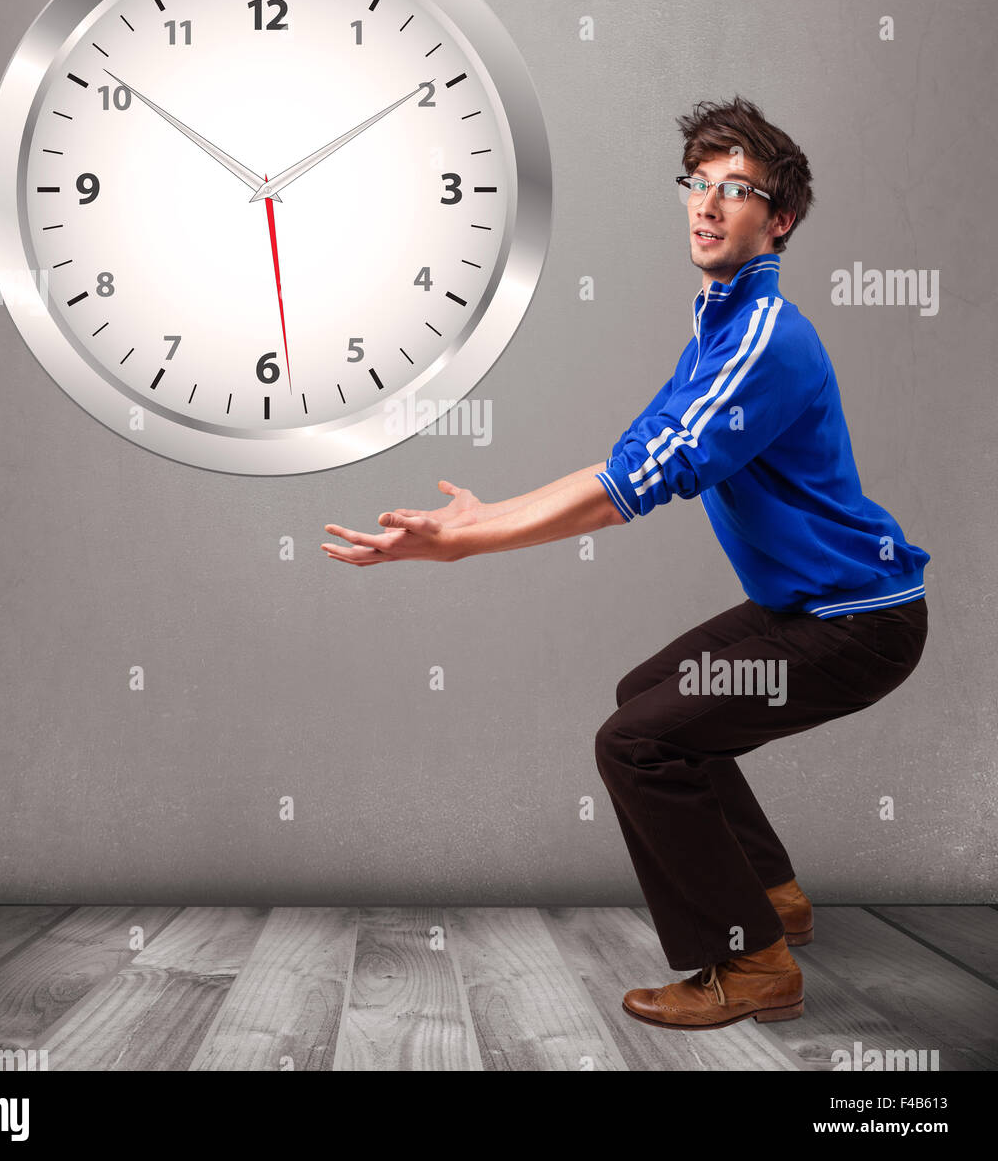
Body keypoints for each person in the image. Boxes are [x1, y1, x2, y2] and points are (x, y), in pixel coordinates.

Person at [321, 95, 930, 1032]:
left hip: (858, 623)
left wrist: (462, 545)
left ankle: (752, 962)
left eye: (738, 191)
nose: (708, 205)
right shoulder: (718, 328)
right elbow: (624, 458)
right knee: (648, 693)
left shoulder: (765, 341)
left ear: (780, 220)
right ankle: (775, 895)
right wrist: (486, 514)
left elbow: (627, 491)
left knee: (640, 743)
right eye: (699, 184)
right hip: (811, 608)